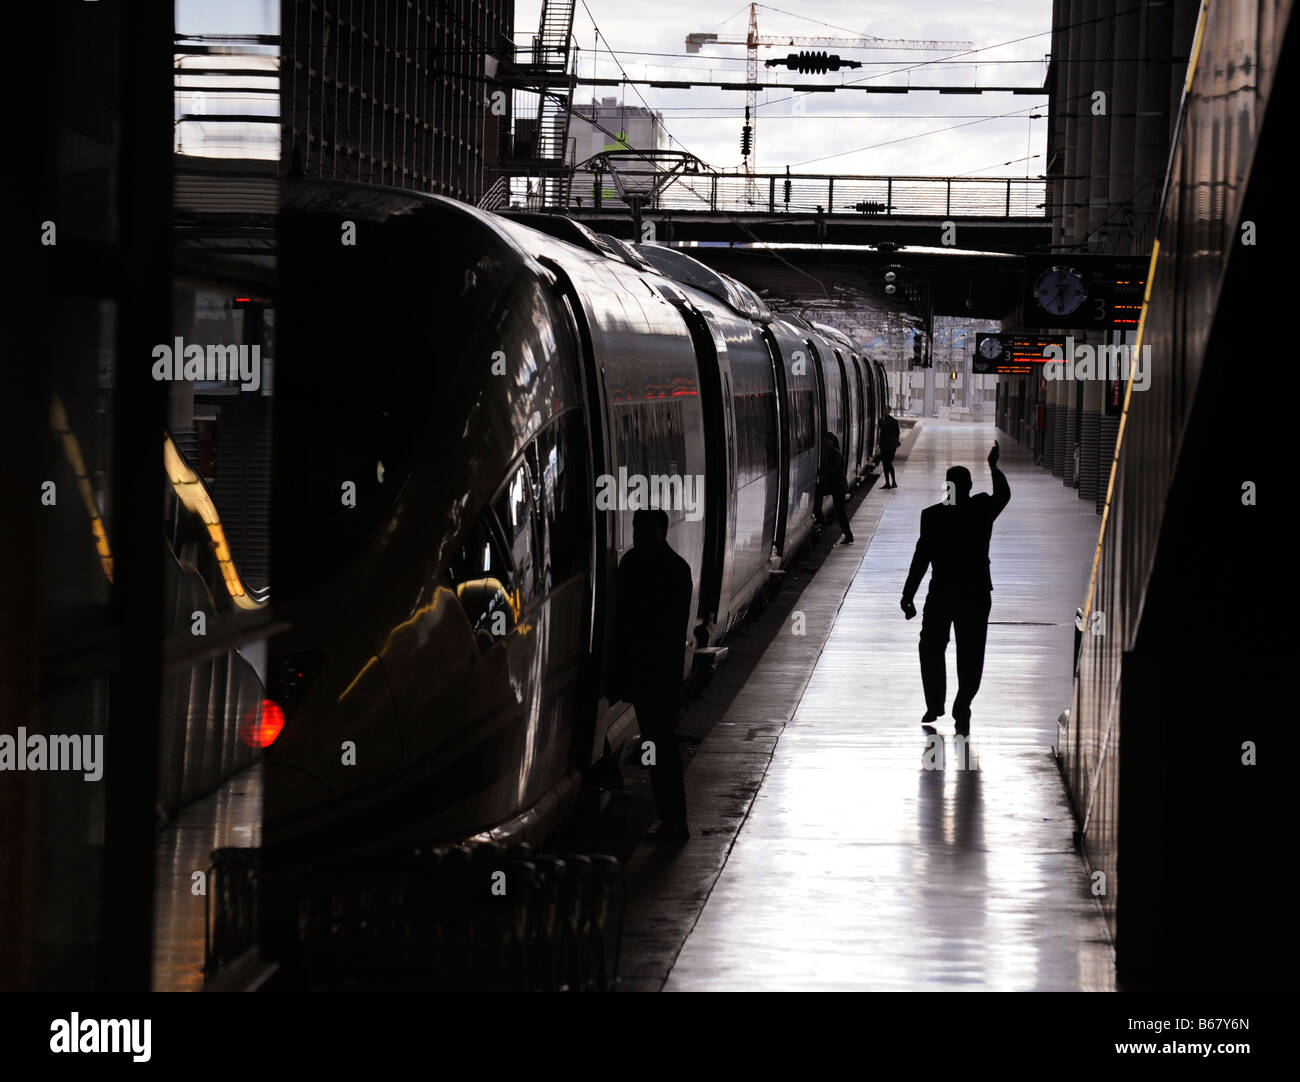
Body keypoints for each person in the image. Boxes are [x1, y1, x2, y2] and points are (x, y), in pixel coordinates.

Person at [900, 442, 1010, 735]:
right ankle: (963, 702)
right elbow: (1004, 495)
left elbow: (921, 557)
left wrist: (908, 594)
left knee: (931, 647)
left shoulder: (933, 515)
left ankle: (935, 703)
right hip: (975, 595)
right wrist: (994, 466)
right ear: (970, 487)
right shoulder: (981, 508)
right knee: (971, 653)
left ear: (947, 486)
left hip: (941, 595)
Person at [611, 508, 694, 841]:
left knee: (661, 750)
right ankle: (671, 818)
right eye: (636, 529)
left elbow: (633, 627)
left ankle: (674, 821)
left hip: (654, 679)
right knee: (659, 748)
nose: (637, 536)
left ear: (662, 532)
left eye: (643, 530)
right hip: (655, 678)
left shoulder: (642, 567)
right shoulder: (674, 569)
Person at [816, 432, 854, 544]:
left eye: (827, 440)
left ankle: (848, 535)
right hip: (834, 486)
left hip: (838, 487)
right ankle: (820, 518)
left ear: (832, 441)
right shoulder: (831, 452)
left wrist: (821, 471)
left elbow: (834, 469)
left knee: (840, 512)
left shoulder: (835, 453)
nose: (825, 443)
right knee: (818, 495)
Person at [878, 405, 900, 489]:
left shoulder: (893, 421)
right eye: (884, 410)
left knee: (888, 463)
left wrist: (895, 443)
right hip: (884, 445)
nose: (885, 411)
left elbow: (897, 433)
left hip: (891, 446)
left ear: (889, 411)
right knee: (885, 464)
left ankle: (893, 481)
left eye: (887, 410)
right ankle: (887, 482)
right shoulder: (881, 420)